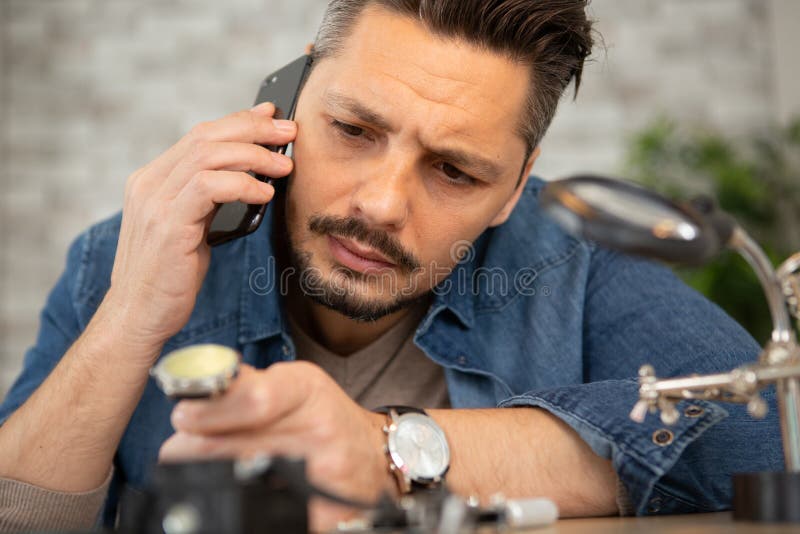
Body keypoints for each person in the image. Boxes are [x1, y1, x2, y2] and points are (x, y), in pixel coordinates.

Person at [0, 0, 784, 531]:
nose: (381, 204)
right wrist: (132, 318)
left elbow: (770, 443)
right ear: (293, 94)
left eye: (455, 171)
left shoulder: (572, 267)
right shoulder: (132, 250)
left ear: (516, 185)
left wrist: (397, 451)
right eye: (353, 128)